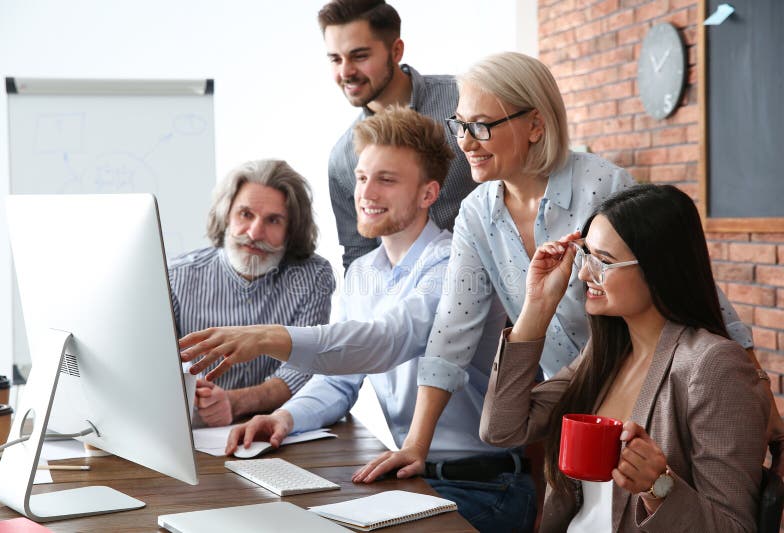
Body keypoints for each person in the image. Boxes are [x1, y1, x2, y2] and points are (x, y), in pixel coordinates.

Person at [356, 51, 766, 484]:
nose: (466, 143)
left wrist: (764, 404)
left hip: (652, 395)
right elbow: (451, 332)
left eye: (481, 126)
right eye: (459, 125)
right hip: (569, 401)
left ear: (535, 124)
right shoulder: (476, 213)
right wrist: (416, 445)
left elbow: (692, 289)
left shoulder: (604, 186)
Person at [179, 106, 536, 532]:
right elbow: (339, 379)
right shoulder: (363, 272)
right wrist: (284, 419)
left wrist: (270, 337)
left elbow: (385, 340)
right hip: (413, 477)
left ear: (427, 194)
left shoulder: (454, 266)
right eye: (363, 177)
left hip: (483, 486)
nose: (366, 193)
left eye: (386, 180)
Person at [479, 184, 769, 532]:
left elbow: (735, 527)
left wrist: (659, 488)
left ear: (659, 267)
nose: (585, 273)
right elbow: (501, 429)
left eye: (603, 261)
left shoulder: (712, 366)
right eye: (585, 255)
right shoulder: (603, 355)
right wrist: (537, 308)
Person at [168, 159, 335, 427]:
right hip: (194, 431)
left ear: (291, 229)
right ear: (226, 215)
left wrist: (235, 402)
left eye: (273, 220)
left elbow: (306, 367)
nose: (255, 233)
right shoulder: (176, 277)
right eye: (245, 215)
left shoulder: (313, 276)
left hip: (281, 430)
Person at [319, 0, 477, 269]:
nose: (345, 72)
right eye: (335, 59)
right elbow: (359, 252)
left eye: (359, 56)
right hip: (406, 303)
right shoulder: (343, 158)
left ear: (396, 50)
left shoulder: (464, 100)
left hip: (497, 292)